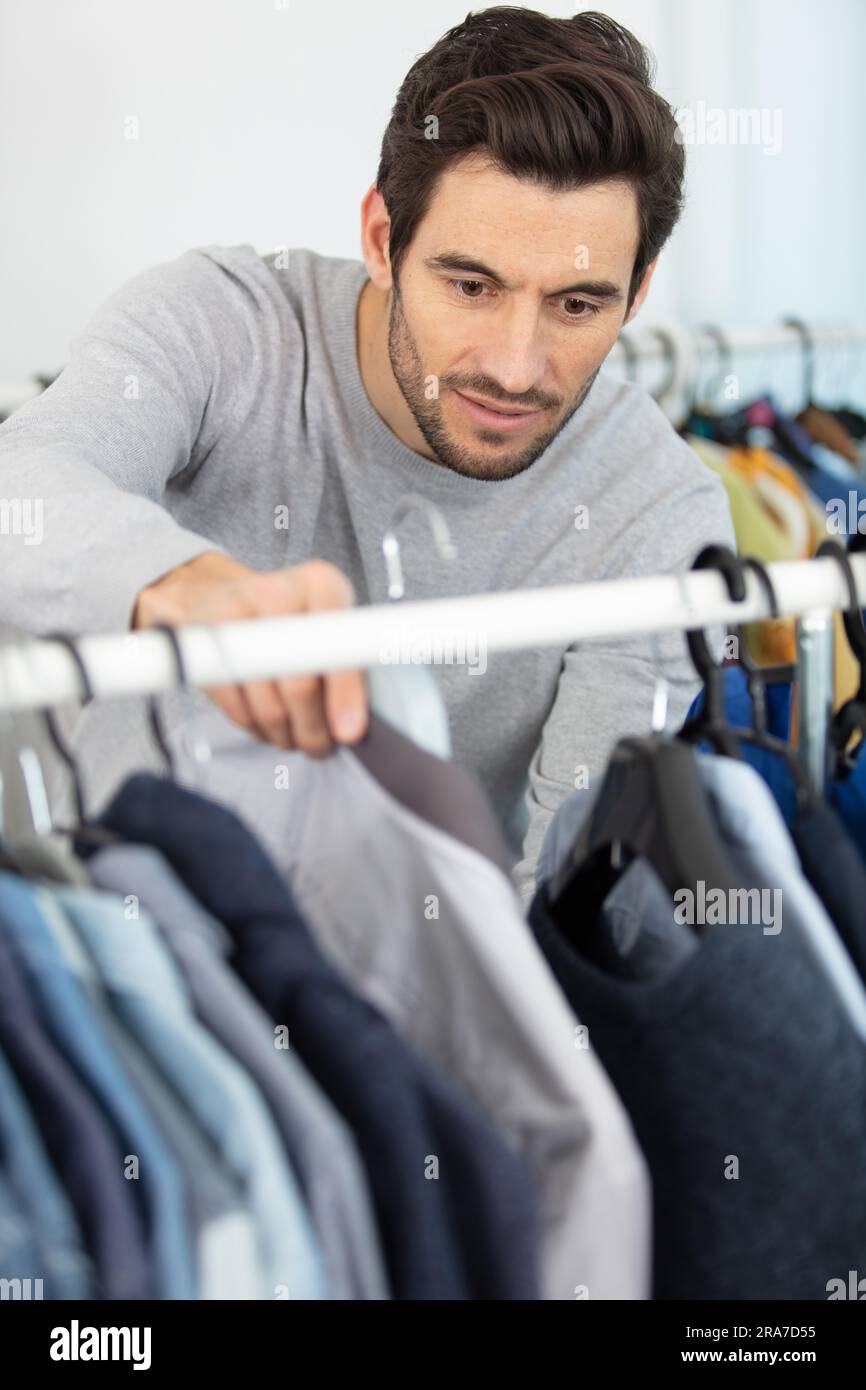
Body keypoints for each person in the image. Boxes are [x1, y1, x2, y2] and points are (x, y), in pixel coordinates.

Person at [0, 7, 733, 902]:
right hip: (131, 953)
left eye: (578, 305)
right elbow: (19, 489)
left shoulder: (659, 515)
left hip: (413, 993)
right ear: (384, 241)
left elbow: (566, 893)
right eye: (471, 285)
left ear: (639, 289)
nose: (513, 366)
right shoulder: (225, 327)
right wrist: (194, 590)